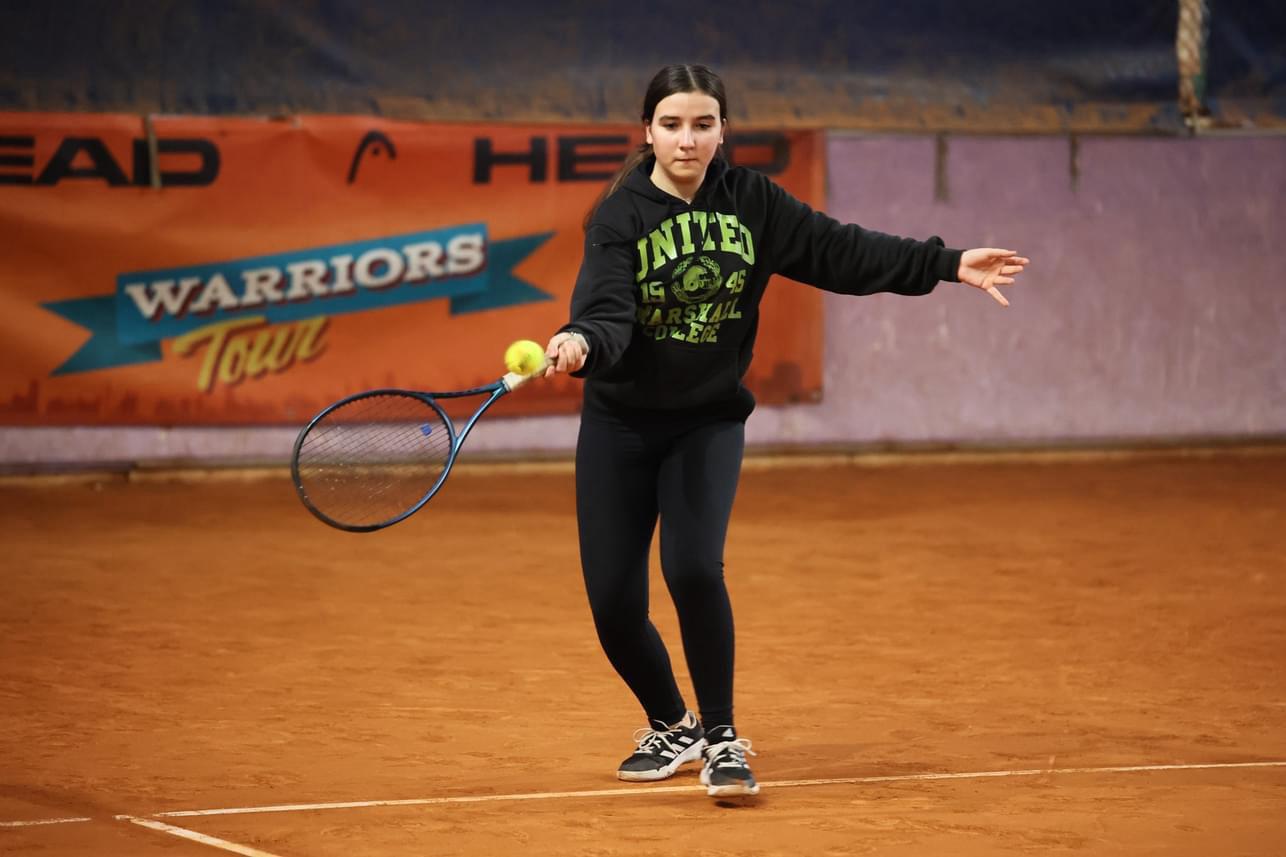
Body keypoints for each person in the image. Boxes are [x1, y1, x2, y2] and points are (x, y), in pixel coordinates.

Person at [541, 64, 1028, 799]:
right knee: (613, 602)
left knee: (693, 568)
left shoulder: (753, 203)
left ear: (722, 131)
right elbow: (607, 311)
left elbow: (842, 250)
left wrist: (949, 264)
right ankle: (673, 723)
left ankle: (722, 736)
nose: (687, 139)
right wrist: (582, 341)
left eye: (703, 124)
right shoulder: (620, 215)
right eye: (672, 125)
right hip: (621, 425)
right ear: (647, 133)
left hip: (705, 420)